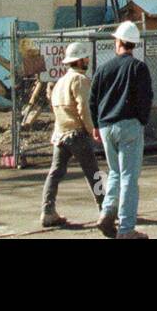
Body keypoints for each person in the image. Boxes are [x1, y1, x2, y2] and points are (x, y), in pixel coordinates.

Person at [89, 20, 153, 240]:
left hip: (106, 127)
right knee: (129, 177)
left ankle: (107, 212)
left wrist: (96, 125)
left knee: (114, 173)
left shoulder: (103, 68)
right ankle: (126, 229)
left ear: (118, 42)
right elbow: (146, 98)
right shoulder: (138, 67)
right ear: (134, 44)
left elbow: (92, 99)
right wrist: (141, 121)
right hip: (129, 125)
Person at [41, 41, 105, 228]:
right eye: (85, 57)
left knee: (55, 173)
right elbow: (84, 107)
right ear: (79, 60)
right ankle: (106, 210)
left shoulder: (60, 82)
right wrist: (92, 128)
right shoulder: (80, 80)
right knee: (93, 173)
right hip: (77, 133)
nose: (88, 60)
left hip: (61, 133)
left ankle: (47, 211)